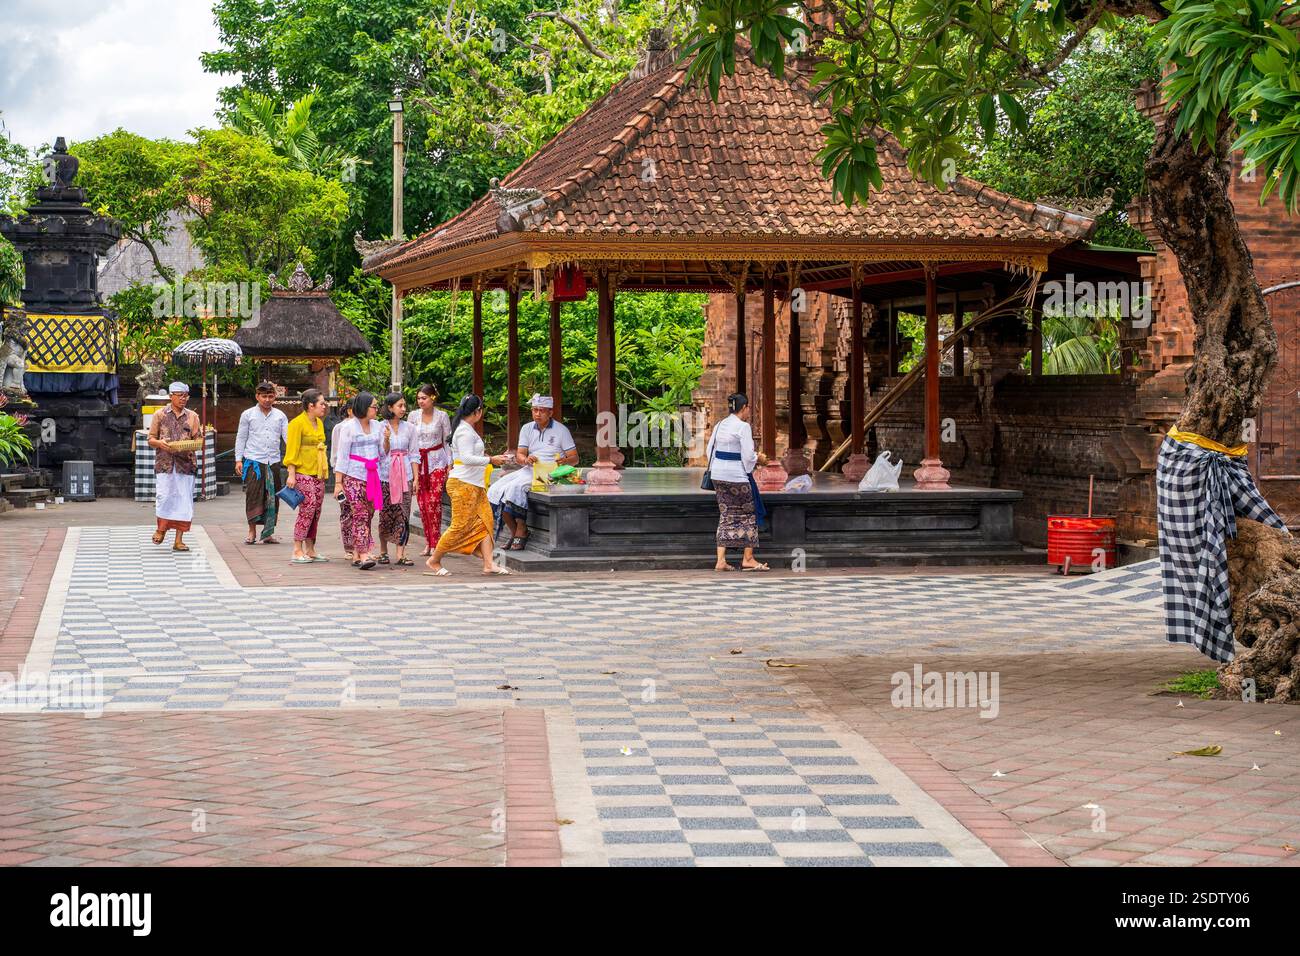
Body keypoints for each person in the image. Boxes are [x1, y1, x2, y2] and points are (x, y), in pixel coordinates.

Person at [425, 394, 513, 577]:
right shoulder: (464, 431)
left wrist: (494, 458)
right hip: (463, 485)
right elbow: (465, 458)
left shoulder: (467, 429)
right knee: (459, 526)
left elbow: (470, 456)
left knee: (485, 522)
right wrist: (491, 459)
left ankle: (489, 564)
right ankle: (434, 559)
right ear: (477, 411)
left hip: (475, 485)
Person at [489, 393, 578, 550]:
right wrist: (526, 459)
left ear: (550, 412)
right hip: (529, 469)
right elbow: (520, 454)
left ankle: (521, 530)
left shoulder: (561, 430)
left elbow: (574, 458)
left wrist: (564, 461)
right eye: (534, 410)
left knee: (514, 489)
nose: (537, 414)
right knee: (496, 489)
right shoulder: (527, 428)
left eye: (541, 410)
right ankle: (514, 531)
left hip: (551, 473)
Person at [705, 392, 769, 572]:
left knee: (726, 515)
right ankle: (748, 558)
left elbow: (710, 450)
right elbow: (748, 456)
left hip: (718, 475)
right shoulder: (743, 427)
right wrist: (757, 460)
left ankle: (721, 560)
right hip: (736, 476)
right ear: (744, 408)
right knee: (750, 514)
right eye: (748, 408)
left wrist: (718, 467)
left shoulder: (719, 425)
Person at [147, 381, 203, 552]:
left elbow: (199, 441)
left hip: (186, 463)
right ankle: (161, 529)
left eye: (186, 396)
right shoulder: (160, 414)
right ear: (171, 396)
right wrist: (160, 443)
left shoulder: (193, 416)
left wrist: (188, 445)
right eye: (180, 396)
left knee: (184, 501)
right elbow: (150, 439)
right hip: (165, 463)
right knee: (164, 496)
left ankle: (179, 540)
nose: (183, 399)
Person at [332, 391, 384, 570]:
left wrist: (387, 442)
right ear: (363, 407)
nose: (376, 409)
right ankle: (364, 553)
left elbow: (383, 453)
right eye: (373, 406)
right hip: (354, 476)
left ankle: (356, 552)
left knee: (369, 514)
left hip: (373, 476)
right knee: (360, 514)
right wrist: (338, 483)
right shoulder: (348, 427)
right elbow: (342, 456)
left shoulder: (378, 426)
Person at [235, 381, 289, 545]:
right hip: (254, 461)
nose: (267, 399)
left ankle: (268, 533)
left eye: (270, 396)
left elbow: (287, 438)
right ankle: (252, 532)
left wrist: (294, 459)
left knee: (273, 497)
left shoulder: (280, 415)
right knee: (253, 496)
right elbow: (241, 437)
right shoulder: (248, 414)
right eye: (264, 396)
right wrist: (238, 459)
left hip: (273, 461)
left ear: (275, 397)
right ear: (257, 396)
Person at [285, 388, 330, 565]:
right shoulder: (296, 424)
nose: (324, 406)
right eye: (321, 403)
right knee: (308, 508)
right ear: (311, 406)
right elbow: (292, 450)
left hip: (318, 471)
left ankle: (310, 548)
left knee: (316, 510)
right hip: (302, 471)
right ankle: (297, 549)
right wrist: (291, 474)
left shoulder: (318, 423)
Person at [410, 383, 451, 556]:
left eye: (424, 398)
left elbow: (447, 441)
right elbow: (410, 442)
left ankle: (436, 542)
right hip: (418, 462)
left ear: (432, 398)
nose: (421, 401)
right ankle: (429, 542)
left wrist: (450, 463)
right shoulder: (413, 416)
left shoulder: (442, 416)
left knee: (434, 502)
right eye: (419, 398)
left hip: (437, 462)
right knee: (422, 503)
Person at [378, 391, 417, 567]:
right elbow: (382, 452)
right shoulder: (380, 427)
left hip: (405, 473)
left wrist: (416, 478)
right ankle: (383, 551)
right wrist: (386, 440)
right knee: (386, 513)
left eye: (404, 405)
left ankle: (401, 552)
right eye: (400, 405)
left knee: (403, 512)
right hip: (385, 475)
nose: (403, 408)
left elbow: (414, 454)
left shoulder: (410, 428)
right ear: (390, 407)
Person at [330, 401, 355, 557]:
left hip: (362, 474)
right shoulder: (339, 428)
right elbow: (335, 455)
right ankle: (349, 547)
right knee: (346, 510)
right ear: (351, 410)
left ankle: (361, 545)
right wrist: (338, 480)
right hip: (343, 474)